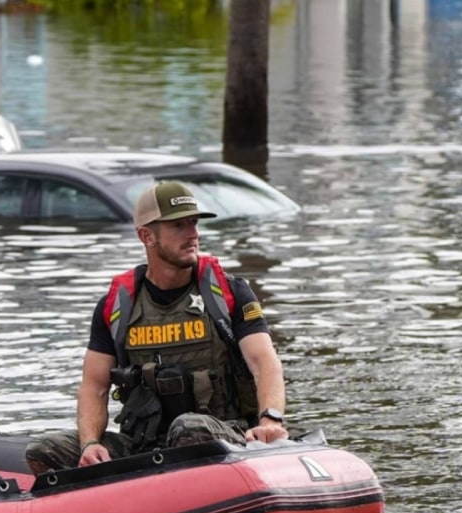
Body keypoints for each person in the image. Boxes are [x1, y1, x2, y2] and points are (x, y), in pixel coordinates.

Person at [25, 182, 289, 475]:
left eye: (194, 222)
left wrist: (270, 421)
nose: (193, 234)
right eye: (178, 225)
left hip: (222, 435)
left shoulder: (229, 293)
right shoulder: (116, 306)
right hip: (144, 444)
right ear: (146, 235)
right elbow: (94, 387)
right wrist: (89, 445)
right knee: (45, 449)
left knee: (188, 429)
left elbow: (264, 364)